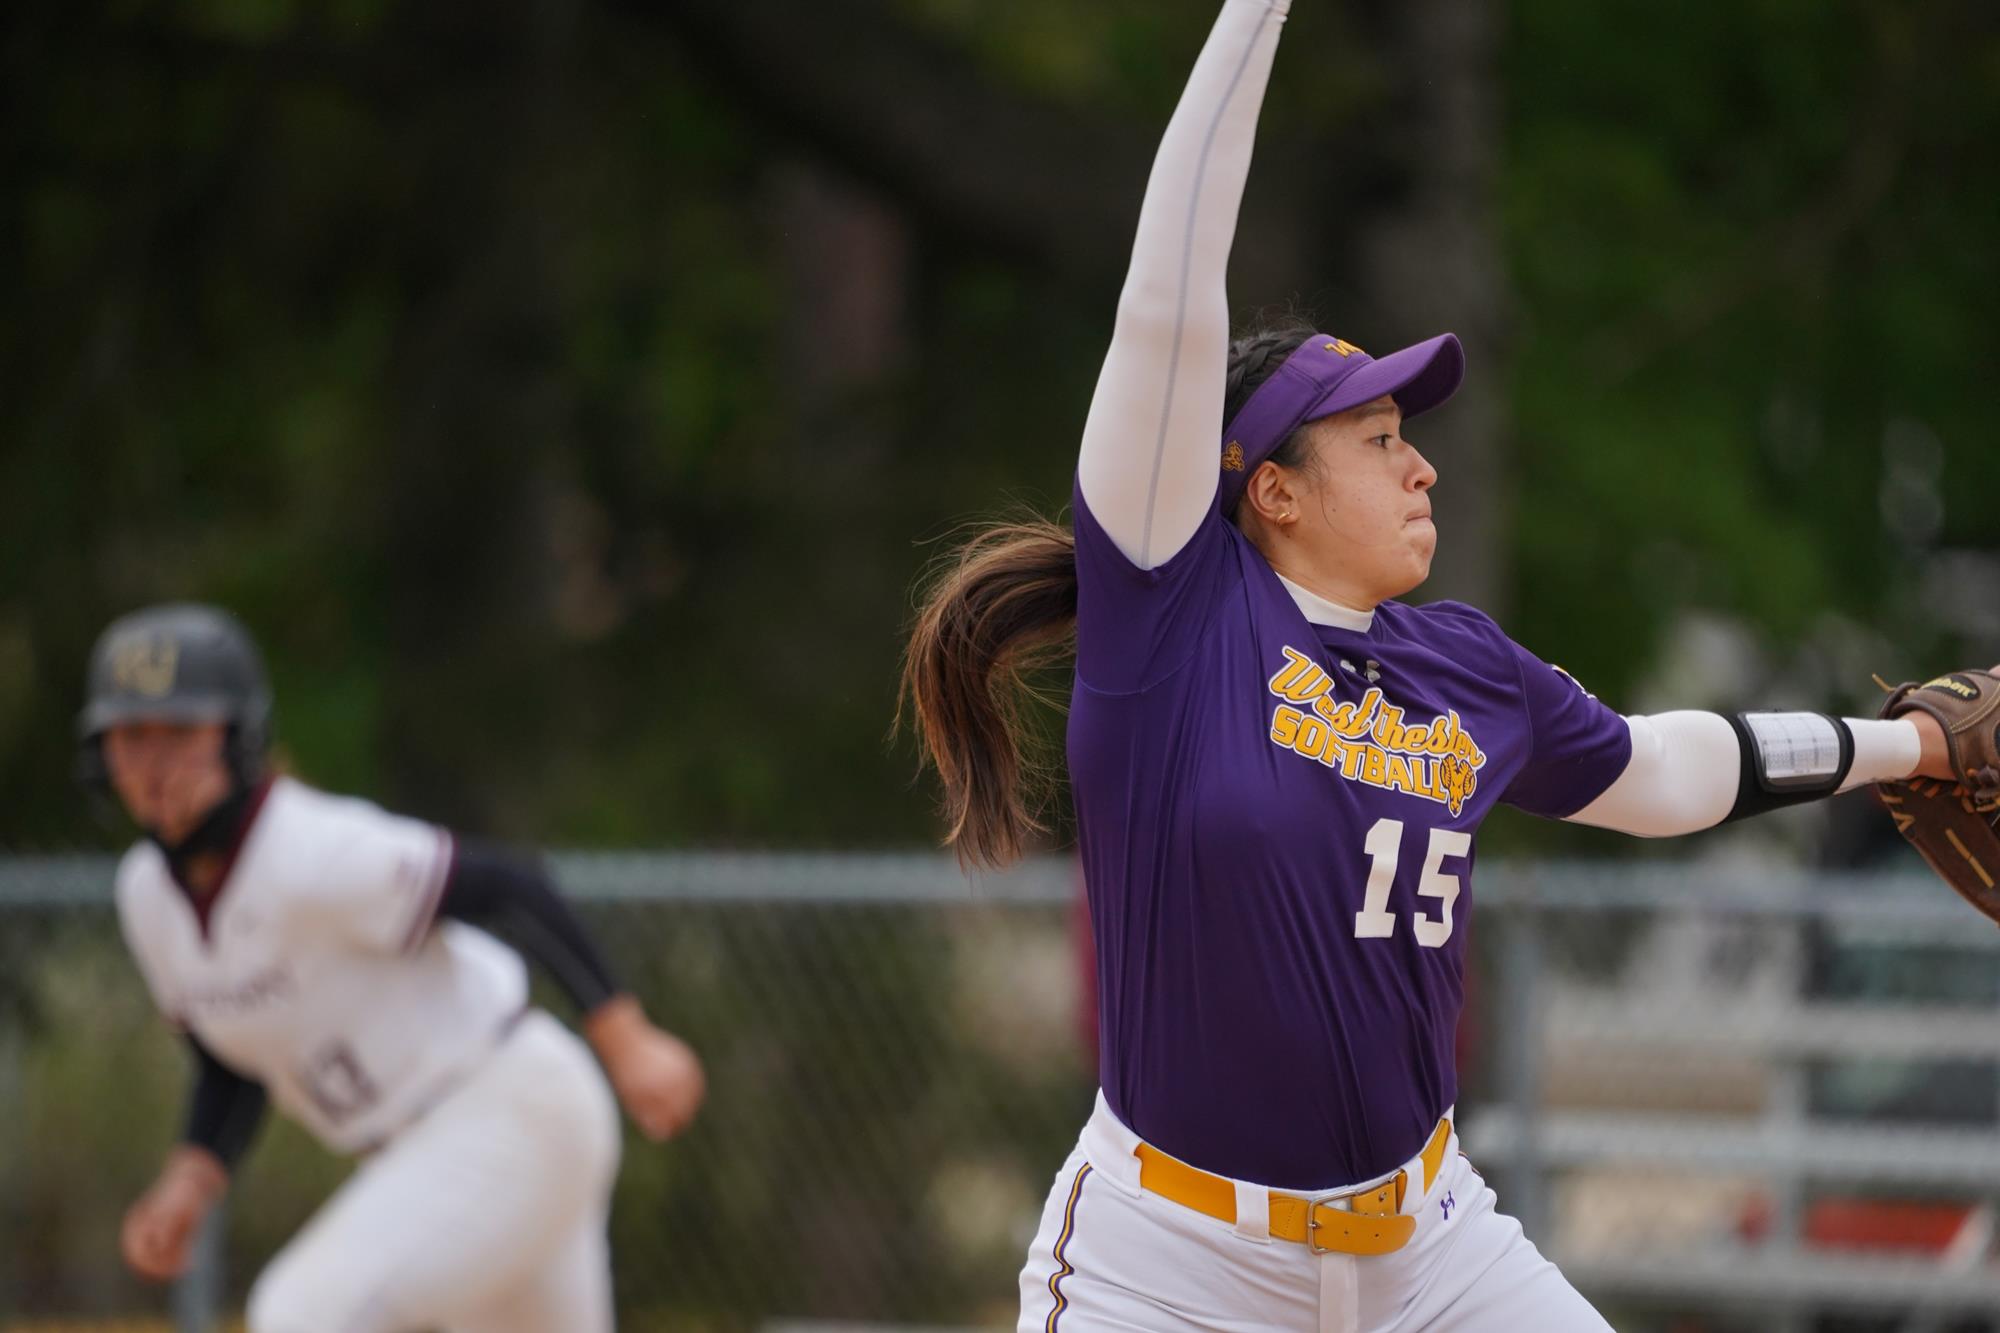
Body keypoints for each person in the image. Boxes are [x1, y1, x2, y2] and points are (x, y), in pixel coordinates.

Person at [898, 3, 1973, 1328]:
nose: (1421, 465)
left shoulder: (1460, 666)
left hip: (1430, 1244)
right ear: (1271, 489)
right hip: (1174, 1258)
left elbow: (1660, 773)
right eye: (1378, 438)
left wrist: (1907, 746)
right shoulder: (1173, 621)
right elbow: (1169, 295)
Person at [83, 603, 705, 1333]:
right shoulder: (147, 897)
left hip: (503, 1106)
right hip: (441, 1150)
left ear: (238, 736)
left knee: (301, 1315)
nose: (155, 761)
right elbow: (232, 1054)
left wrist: (626, 1036)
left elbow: (510, 886)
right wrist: (190, 1178)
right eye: (131, 735)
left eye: (181, 730)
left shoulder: (311, 849)